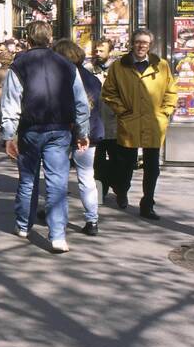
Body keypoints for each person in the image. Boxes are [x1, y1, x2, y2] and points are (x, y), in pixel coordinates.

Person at [0, 21, 91, 252]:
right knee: (57, 182)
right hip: (60, 129)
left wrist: (9, 135)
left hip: (31, 128)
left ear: (28, 40)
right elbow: (81, 102)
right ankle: (58, 235)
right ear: (50, 39)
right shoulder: (67, 65)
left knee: (28, 179)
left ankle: (23, 224)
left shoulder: (19, 64)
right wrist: (82, 131)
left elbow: (10, 103)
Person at [101, 28, 176, 220]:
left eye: (145, 43)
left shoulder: (162, 66)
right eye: (138, 42)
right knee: (125, 164)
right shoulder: (119, 66)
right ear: (132, 44)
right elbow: (109, 92)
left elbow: (171, 92)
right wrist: (121, 111)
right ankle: (122, 190)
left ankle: (147, 203)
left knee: (152, 167)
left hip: (153, 122)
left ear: (150, 46)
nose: (141, 46)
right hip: (130, 121)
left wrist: (165, 113)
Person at [54, 39, 103, 236]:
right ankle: (92, 220)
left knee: (58, 175)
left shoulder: (63, 79)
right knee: (86, 177)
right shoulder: (92, 79)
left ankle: (57, 214)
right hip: (91, 132)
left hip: (65, 132)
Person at [89, 39, 119, 202]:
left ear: (110, 52)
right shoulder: (89, 69)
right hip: (96, 123)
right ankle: (100, 193)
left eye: (101, 51)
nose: (97, 53)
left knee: (117, 160)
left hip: (114, 122)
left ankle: (120, 190)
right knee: (97, 162)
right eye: (96, 50)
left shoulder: (119, 70)